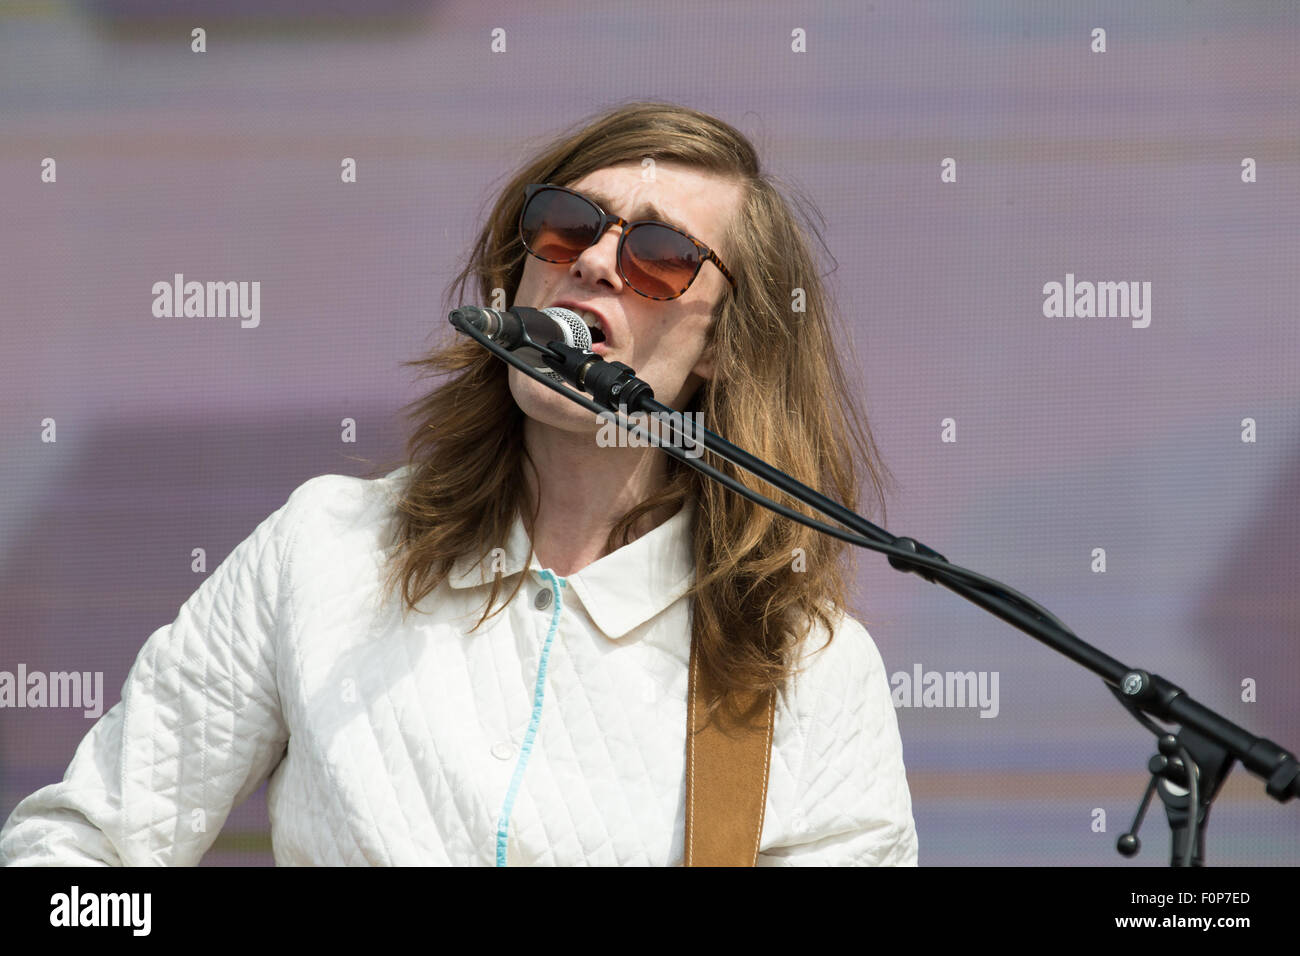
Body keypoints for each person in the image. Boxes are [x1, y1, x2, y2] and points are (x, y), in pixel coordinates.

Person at [0, 101, 917, 866]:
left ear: (722, 345)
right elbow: (78, 852)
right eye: (567, 225)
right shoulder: (323, 548)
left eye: (660, 255)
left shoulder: (805, 666)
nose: (595, 262)